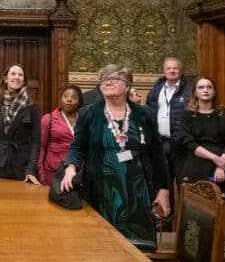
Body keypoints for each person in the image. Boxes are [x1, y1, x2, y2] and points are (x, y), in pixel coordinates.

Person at [61, 64, 171, 251]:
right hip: (100, 192)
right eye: (104, 78)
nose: (108, 82)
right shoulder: (89, 114)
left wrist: (164, 191)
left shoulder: (144, 114)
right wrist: (70, 167)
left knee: (139, 251)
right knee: (102, 249)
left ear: (127, 86)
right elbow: (77, 147)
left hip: (138, 193)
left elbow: (157, 155)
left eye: (115, 78)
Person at [0, 64, 41, 183]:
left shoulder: (32, 107)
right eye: (13, 74)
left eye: (20, 75)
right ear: (5, 79)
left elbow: (36, 141)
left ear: (24, 81)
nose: (17, 77)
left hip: (22, 168)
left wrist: (31, 169)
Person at [173, 77, 225, 185]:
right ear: (195, 92)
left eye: (209, 87)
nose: (205, 90)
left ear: (214, 92)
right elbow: (188, 142)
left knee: (223, 191)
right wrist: (215, 158)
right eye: (201, 87)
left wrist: (221, 164)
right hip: (196, 164)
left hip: (221, 166)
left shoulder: (224, 114)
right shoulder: (187, 115)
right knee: (198, 192)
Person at [144, 57, 192, 182]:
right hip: (160, 141)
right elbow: (148, 111)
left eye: (175, 68)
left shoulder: (188, 90)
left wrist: (181, 138)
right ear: (164, 70)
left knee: (183, 180)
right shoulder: (157, 89)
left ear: (180, 70)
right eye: (168, 68)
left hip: (181, 144)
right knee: (163, 179)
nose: (172, 71)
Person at [37, 84, 83, 185]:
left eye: (74, 97)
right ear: (61, 99)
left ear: (79, 102)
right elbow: (41, 148)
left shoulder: (84, 120)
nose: (69, 100)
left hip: (77, 173)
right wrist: (41, 175)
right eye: (65, 96)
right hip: (53, 174)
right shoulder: (48, 119)